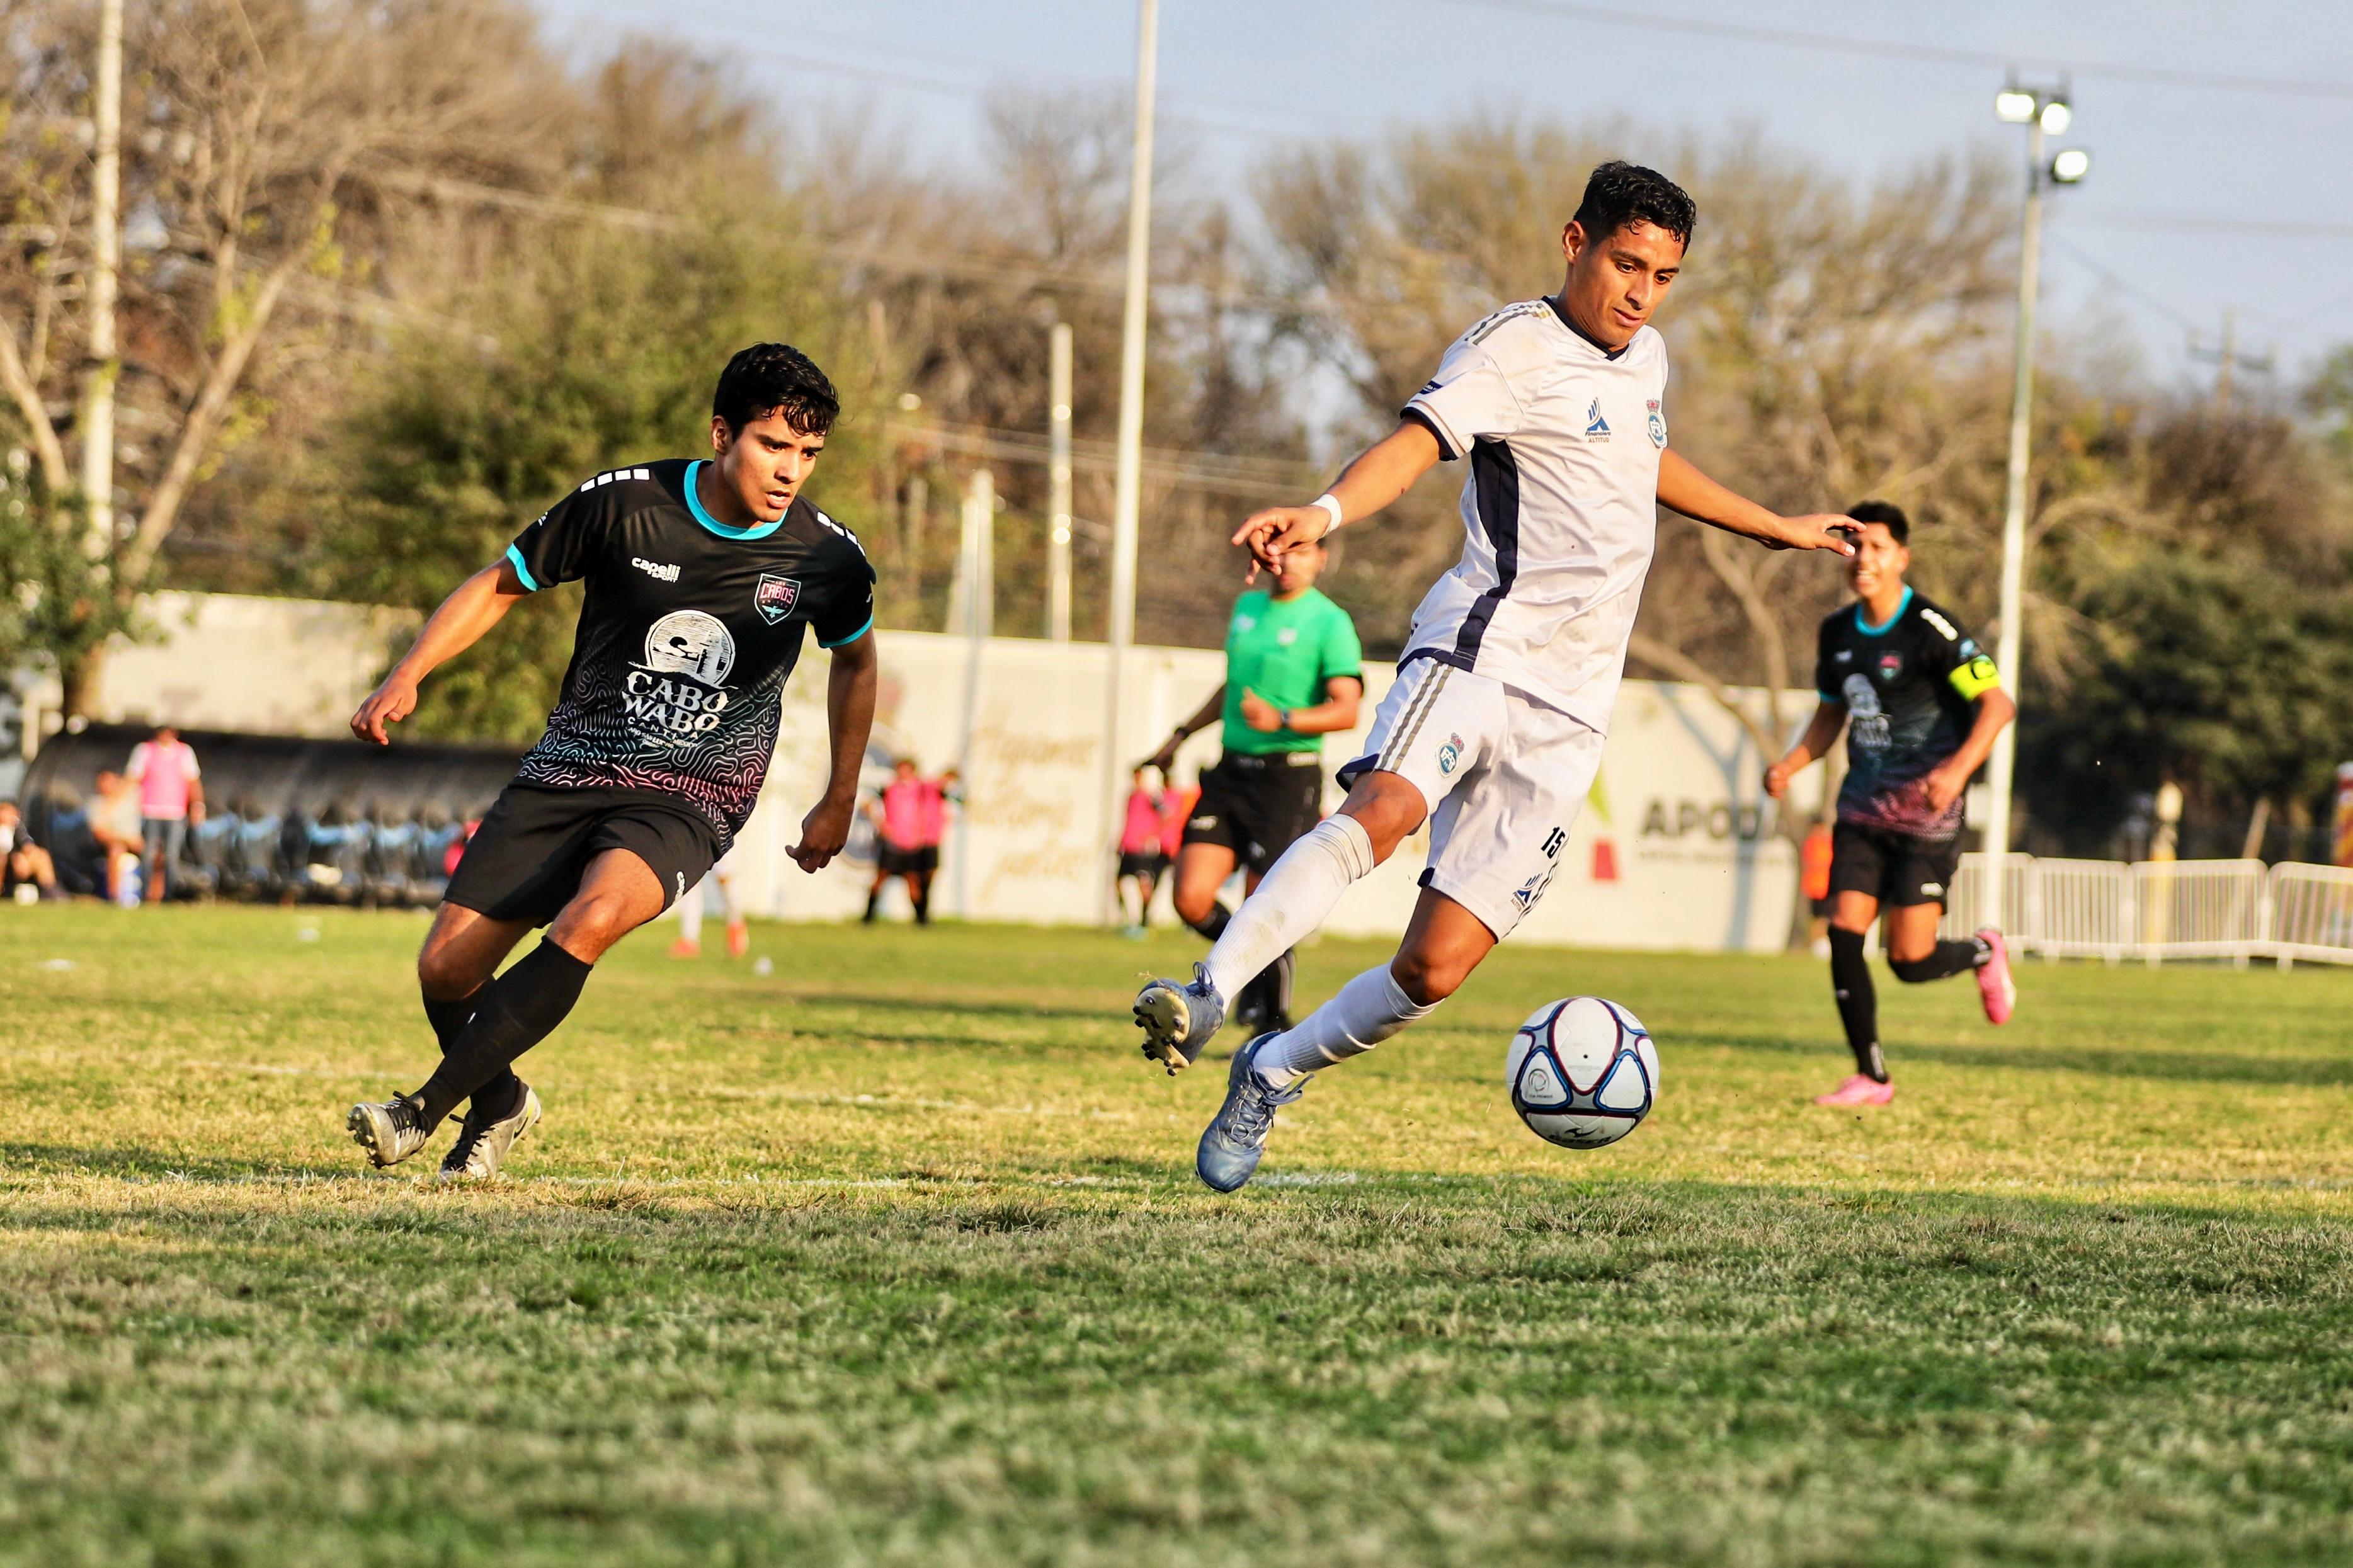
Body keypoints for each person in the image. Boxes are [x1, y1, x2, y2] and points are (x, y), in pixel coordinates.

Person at [1131, 161, 1862, 1192]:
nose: (1640, 292)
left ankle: (1270, 1072)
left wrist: (1776, 527)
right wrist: (1322, 513)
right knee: (1383, 810)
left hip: (1572, 711)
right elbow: (1409, 448)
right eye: (1624, 263)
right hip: (1482, 647)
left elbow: (1645, 459)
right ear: (1575, 242)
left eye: (1662, 275)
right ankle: (1210, 991)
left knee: (1433, 969)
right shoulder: (1508, 347)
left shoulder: (1645, 356)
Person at [343, 342, 878, 1181]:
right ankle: (502, 1102)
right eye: (774, 445)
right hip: (573, 762)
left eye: (809, 454)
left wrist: (839, 794)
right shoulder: (624, 505)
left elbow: (856, 660)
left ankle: (419, 1111)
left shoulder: (826, 559)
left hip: (696, 789)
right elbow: (501, 583)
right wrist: (408, 672)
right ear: (721, 433)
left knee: (589, 920)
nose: (791, 470)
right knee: (445, 968)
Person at [1763, 500, 2018, 1107]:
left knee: (1910, 959)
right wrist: (1793, 764)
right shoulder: (1838, 634)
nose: (1865, 559)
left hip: (1928, 820)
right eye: (1855, 547)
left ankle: (1984, 950)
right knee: (1846, 933)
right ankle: (1871, 1076)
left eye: (1878, 548)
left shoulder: (1930, 629)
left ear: (1902, 557)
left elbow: (1998, 705)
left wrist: (1956, 772)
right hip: (1861, 813)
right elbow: (1832, 713)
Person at [1142, 533, 1363, 1033]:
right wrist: (1180, 735)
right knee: (1190, 897)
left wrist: (1282, 718)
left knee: (1265, 904)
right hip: (1229, 772)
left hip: (1287, 777)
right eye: (1280, 550)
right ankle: (1239, 978)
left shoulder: (1330, 621)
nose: (1287, 561)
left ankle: (1272, 1024)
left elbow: (1346, 710)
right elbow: (1232, 687)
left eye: (1301, 551)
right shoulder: (1247, 609)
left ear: (1320, 559)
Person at [126, 725, 203, 902]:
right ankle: (145, 894)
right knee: (148, 855)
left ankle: (169, 896)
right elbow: (133, 778)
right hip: (150, 811)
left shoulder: (184, 753)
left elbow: (193, 781)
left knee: (171, 856)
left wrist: (197, 806)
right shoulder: (145, 750)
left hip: (175, 813)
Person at [863, 757, 941, 925]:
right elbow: (867, 804)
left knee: (913, 882)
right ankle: (868, 918)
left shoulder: (922, 790)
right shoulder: (889, 789)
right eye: (900, 769)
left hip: (912, 845)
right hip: (893, 844)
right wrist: (882, 825)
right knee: (880, 879)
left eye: (907, 770)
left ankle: (921, 920)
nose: (903, 773)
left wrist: (923, 834)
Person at [1114, 765, 1171, 935]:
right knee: (1118, 882)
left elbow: (1167, 815)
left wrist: (1151, 835)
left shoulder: (1151, 796)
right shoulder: (1131, 796)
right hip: (1128, 846)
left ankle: (1144, 921)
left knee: (1144, 885)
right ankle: (1125, 919)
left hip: (1142, 850)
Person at [669, 846, 748, 958]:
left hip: (720, 833)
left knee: (724, 879)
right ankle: (689, 939)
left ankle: (736, 924)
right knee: (691, 878)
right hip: (696, 833)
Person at [90, 770, 145, 906]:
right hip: (113, 843)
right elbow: (99, 833)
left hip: (136, 842)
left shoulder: (132, 798)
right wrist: (125, 840)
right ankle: (114, 897)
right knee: (116, 850)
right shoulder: (96, 804)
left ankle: (155, 899)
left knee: (157, 855)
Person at [0, 800, 59, 900]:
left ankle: (50, 890)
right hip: (5, 864)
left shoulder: (18, 828)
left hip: (16, 864)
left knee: (42, 855)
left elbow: (28, 845)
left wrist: (21, 856)